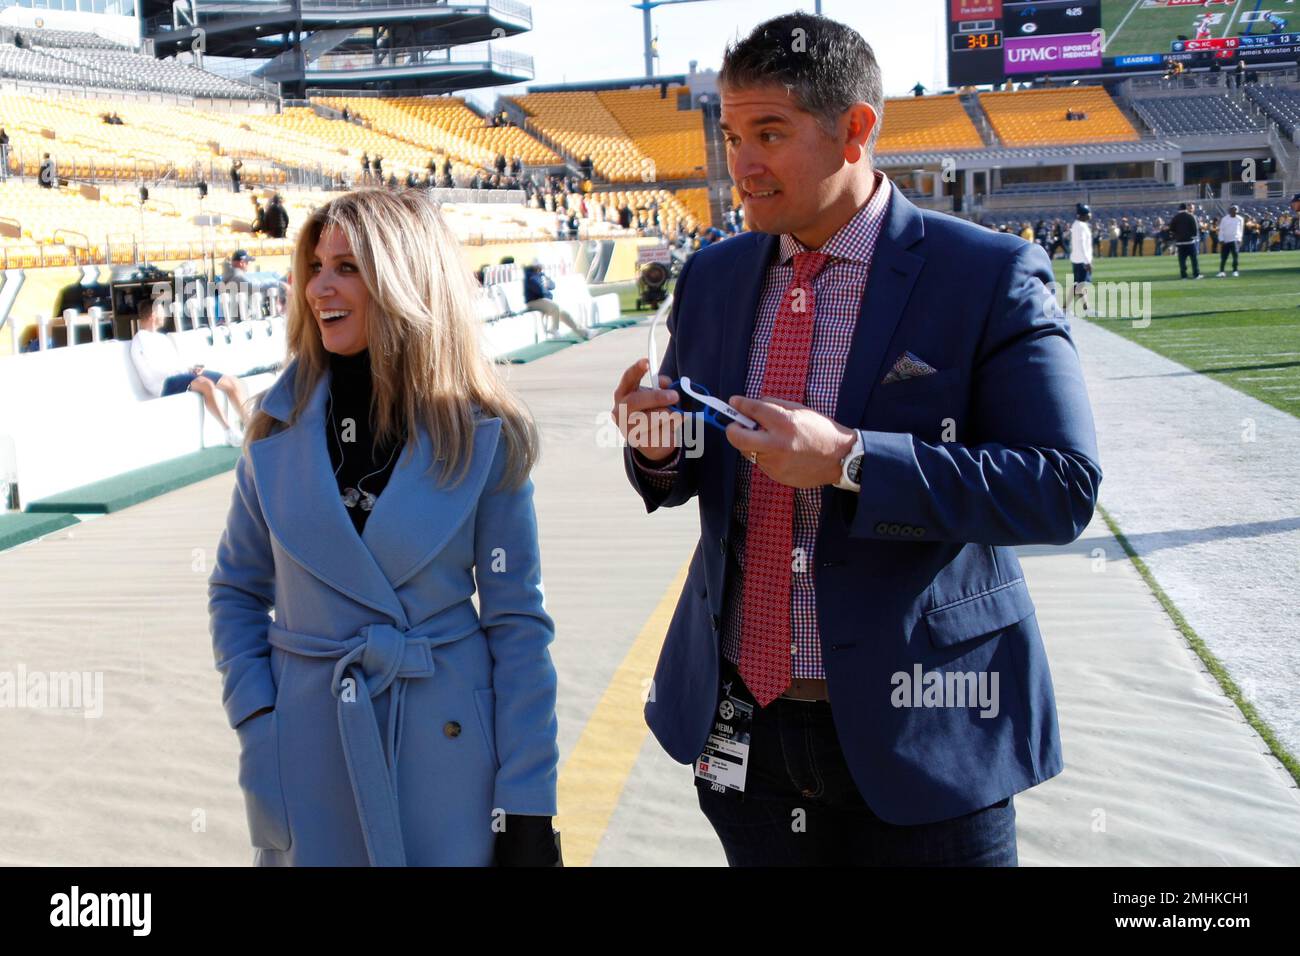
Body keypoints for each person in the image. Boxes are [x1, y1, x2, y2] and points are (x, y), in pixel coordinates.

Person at [611, 12, 1100, 867]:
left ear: (856, 130)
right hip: (748, 732)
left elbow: (1060, 486)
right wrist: (657, 442)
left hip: (926, 731)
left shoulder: (987, 273)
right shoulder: (716, 275)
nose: (742, 163)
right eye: (731, 135)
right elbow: (694, 464)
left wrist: (849, 461)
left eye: (771, 132)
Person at [208, 187, 561, 866]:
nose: (320, 288)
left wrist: (527, 801)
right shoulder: (273, 426)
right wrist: (260, 721)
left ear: (404, 278)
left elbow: (518, 626)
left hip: (450, 757)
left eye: (347, 267)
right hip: (308, 744)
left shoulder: (486, 434)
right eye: (314, 267)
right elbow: (235, 591)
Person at [130, 298, 247, 445]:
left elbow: (176, 363)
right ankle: (228, 431)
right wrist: (184, 371)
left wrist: (191, 369)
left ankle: (251, 427)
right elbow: (155, 372)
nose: (165, 314)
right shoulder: (140, 339)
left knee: (231, 382)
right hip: (163, 384)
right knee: (206, 384)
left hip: (180, 375)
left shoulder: (162, 338)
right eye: (161, 311)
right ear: (153, 314)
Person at [524, 259, 590, 341]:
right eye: (539, 266)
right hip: (533, 302)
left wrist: (547, 284)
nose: (541, 268)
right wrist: (544, 286)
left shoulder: (540, 274)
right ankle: (554, 330)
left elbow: (552, 285)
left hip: (545, 301)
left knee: (565, 314)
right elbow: (539, 291)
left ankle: (584, 333)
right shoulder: (530, 276)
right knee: (555, 307)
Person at [1070, 202, 1093, 313]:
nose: (1090, 215)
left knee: (1078, 284)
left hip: (1077, 258)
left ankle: (1065, 307)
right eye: (1088, 213)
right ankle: (1086, 307)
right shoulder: (1081, 226)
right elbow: (1082, 244)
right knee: (1082, 284)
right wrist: (1087, 261)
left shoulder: (1076, 224)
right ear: (1084, 215)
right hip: (1081, 260)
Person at [1170, 202, 1203, 278]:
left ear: (1179, 209)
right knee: (1194, 259)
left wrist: (1177, 237)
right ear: (1186, 209)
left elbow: (1171, 229)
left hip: (1180, 242)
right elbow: (1195, 229)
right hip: (1190, 242)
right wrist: (1194, 237)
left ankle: (1184, 276)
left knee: (1182, 260)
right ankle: (1196, 274)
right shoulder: (1190, 216)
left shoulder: (1175, 217)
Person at [1217, 204, 1244, 276]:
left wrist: (1240, 239)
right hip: (1225, 240)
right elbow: (1221, 230)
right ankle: (1221, 271)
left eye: (1235, 210)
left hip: (1235, 240)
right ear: (1230, 210)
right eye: (1233, 209)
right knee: (1224, 257)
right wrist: (1221, 239)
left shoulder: (1240, 219)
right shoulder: (1224, 219)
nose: (1234, 211)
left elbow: (1241, 230)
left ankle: (1235, 271)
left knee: (1235, 256)